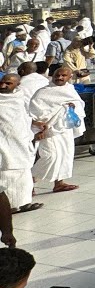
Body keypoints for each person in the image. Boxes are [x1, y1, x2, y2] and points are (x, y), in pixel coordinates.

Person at [29, 65, 86, 194]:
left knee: (65, 155)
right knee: (50, 157)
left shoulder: (70, 90)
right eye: (57, 75)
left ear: (69, 77)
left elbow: (79, 105)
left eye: (63, 75)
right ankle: (28, 182)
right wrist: (37, 129)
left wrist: (72, 106)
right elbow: (33, 112)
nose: (59, 77)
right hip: (48, 130)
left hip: (64, 129)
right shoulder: (43, 92)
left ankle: (59, 183)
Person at [0, 75, 38, 214]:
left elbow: (25, 118)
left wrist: (35, 126)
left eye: (8, 83)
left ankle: (23, 203)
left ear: (17, 84)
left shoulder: (20, 98)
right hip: (3, 144)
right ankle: (7, 208)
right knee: (5, 176)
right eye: (1, 82)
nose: (3, 86)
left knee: (23, 176)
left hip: (20, 142)